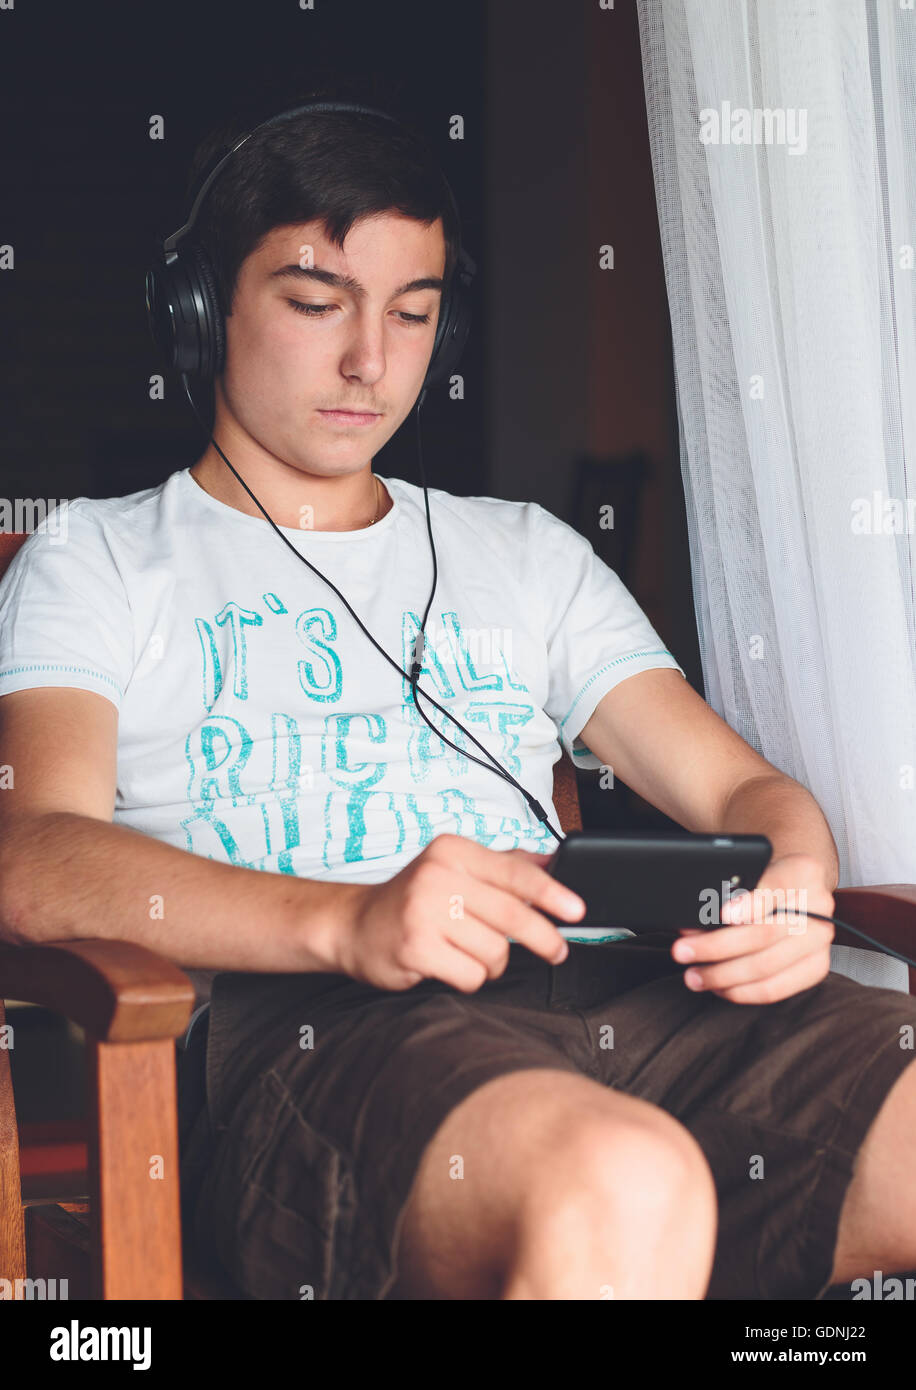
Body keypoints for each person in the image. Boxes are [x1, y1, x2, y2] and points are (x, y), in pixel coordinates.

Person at [1, 89, 915, 1302]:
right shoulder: (95, 560)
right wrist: (348, 920)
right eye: (317, 304)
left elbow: (739, 786)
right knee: (626, 1181)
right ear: (202, 308)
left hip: (615, 1000)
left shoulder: (526, 552)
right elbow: (32, 855)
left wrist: (792, 870)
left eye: (414, 313)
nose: (370, 362)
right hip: (319, 1038)